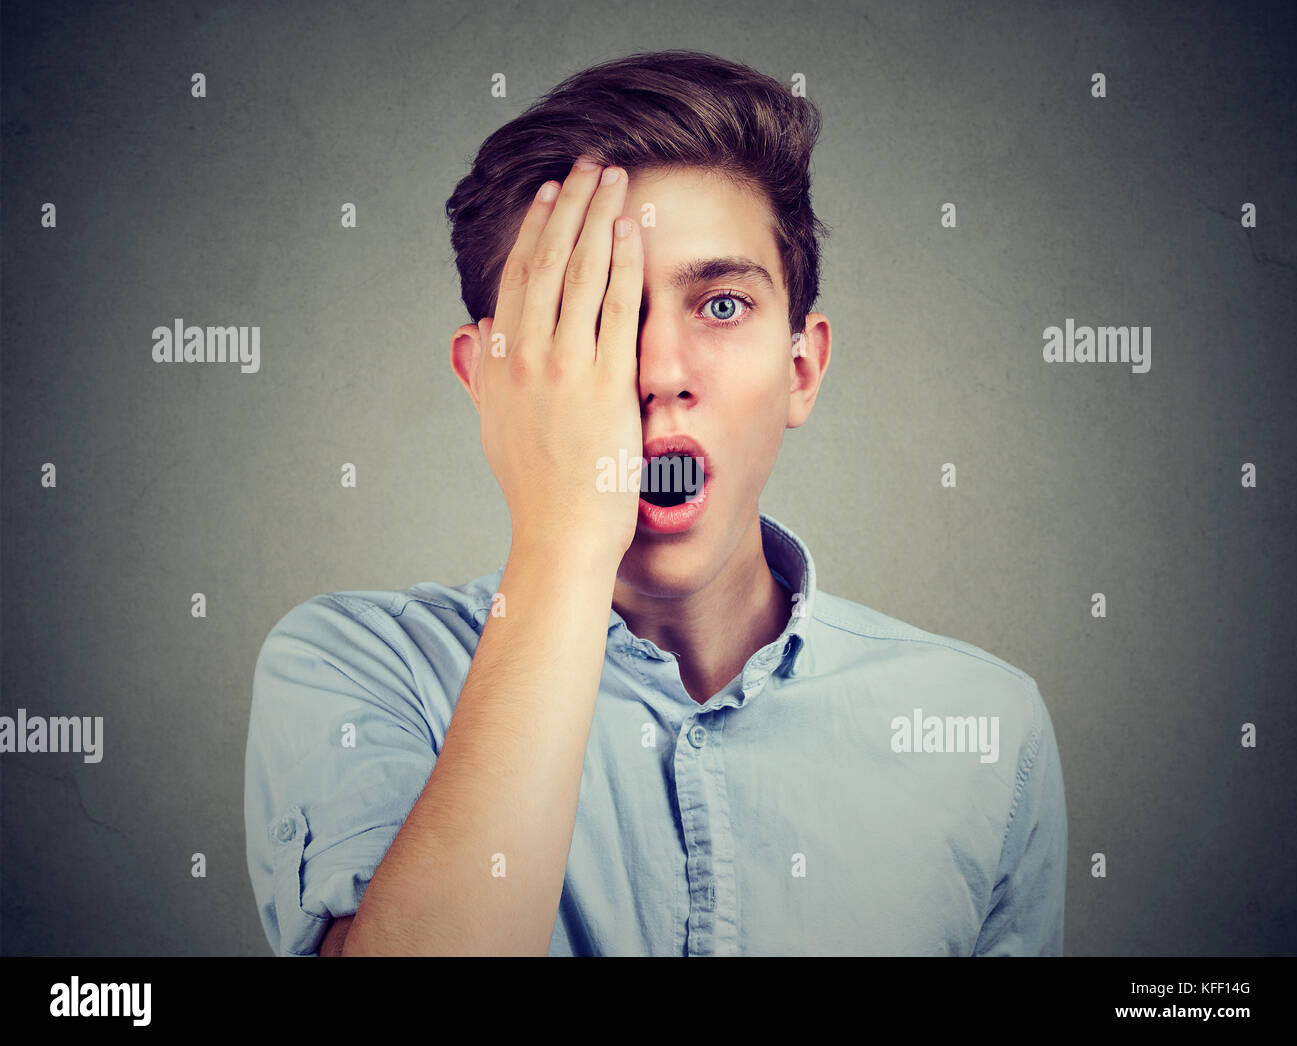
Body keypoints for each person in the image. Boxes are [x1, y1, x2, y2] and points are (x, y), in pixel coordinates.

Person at [244, 49, 1067, 956]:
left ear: (803, 369)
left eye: (720, 306)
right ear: (489, 383)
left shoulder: (986, 727)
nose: (658, 374)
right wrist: (564, 536)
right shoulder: (357, 672)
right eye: (591, 313)